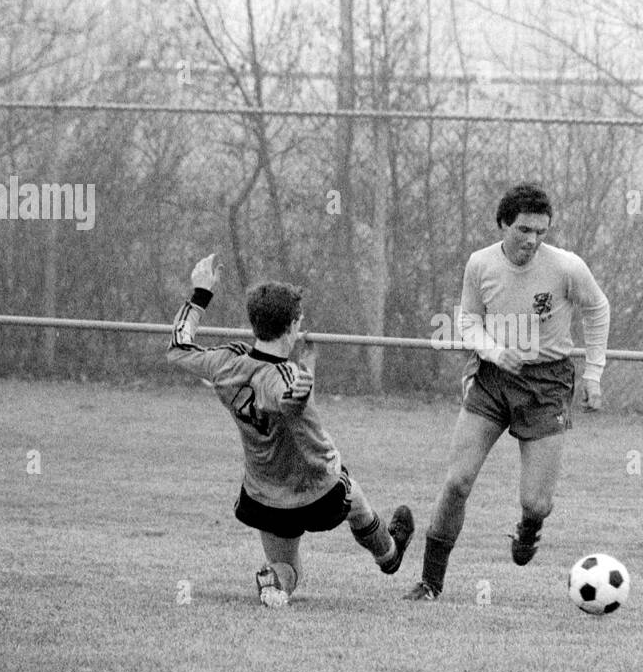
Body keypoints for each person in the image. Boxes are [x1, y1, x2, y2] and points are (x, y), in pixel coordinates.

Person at [167, 253, 414, 607]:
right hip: (317, 491)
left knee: (287, 568)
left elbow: (178, 346)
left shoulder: (226, 362)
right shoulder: (284, 379)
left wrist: (201, 293)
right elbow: (287, 400)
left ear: (255, 323)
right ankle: (389, 556)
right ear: (295, 324)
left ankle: (273, 582)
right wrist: (307, 368)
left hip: (263, 495)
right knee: (356, 501)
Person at [404, 183, 610, 601]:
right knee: (458, 480)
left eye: (540, 232)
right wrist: (496, 352)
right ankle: (430, 582)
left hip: (548, 384)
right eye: (523, 230)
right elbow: (468, 323)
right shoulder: (480, 264)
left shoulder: (567, 267)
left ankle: (529, 528)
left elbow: (597, 308)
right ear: (502, 224)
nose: (532, 240)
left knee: (535, 502)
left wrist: (594, 373)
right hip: (493, 378)